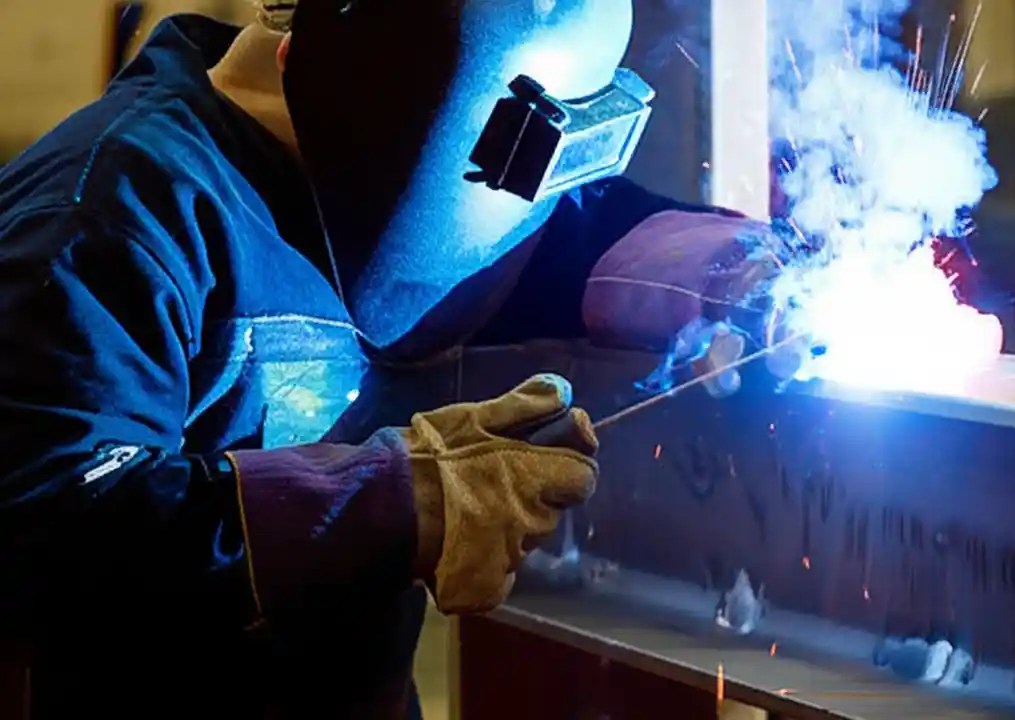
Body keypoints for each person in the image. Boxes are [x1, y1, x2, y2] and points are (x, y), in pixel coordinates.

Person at [0, 1, 781, 717]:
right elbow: (46, 529)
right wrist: (397, 501)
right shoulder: (116, 217)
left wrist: (728, 270)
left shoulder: (430, 174)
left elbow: (561, 231)